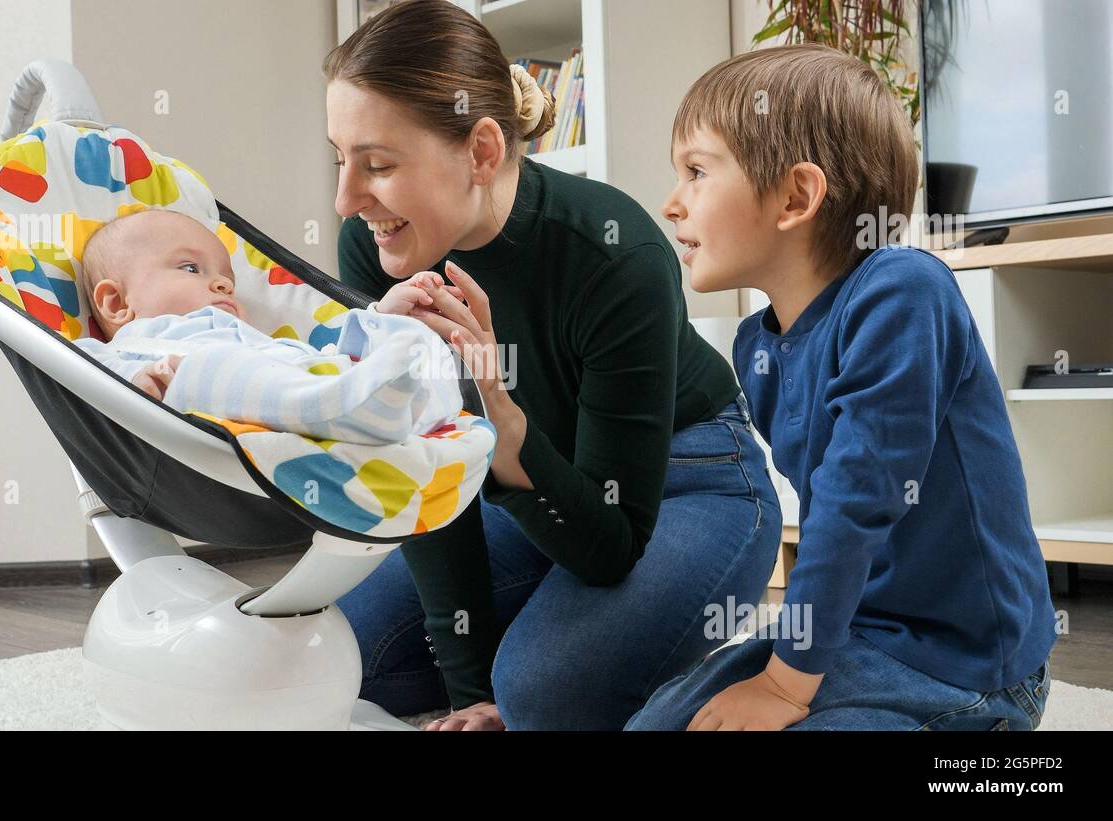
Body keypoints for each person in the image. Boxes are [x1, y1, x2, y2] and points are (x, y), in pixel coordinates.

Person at [326, 0, 782, 730]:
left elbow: (610, 546)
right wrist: (467, 690)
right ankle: (568, 640)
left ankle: (714, 670)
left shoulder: (615, 253)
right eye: (340, 158)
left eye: (377, 165)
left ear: (481, 151)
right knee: (339, 657)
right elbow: (429, 475)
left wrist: (504, 425)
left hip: (686, 479)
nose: (347, 199)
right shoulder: (378, 248)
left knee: (543, 693)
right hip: (527, 477)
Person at [627, 44, 1055, 731]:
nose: (671, 203)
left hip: (966, 663)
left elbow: (856, 500)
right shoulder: (756, 345)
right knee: (656, 724)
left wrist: (785, 686)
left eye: (696, 172)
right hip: (857, 631)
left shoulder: (905, 290)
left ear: (796, 196)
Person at [73, 208, 463, 445]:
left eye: (228, 280)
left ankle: (420, 401)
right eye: (191, 268)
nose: (222, 284)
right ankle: (370, 407)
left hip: (296, 384)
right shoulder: (135, 345)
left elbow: (317, 365)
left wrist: (384, 319)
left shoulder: (255, 340)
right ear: (117, 303)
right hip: (203, 385)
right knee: (221, 369)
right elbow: (83, 370)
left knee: (399, 343)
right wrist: (135, 381)